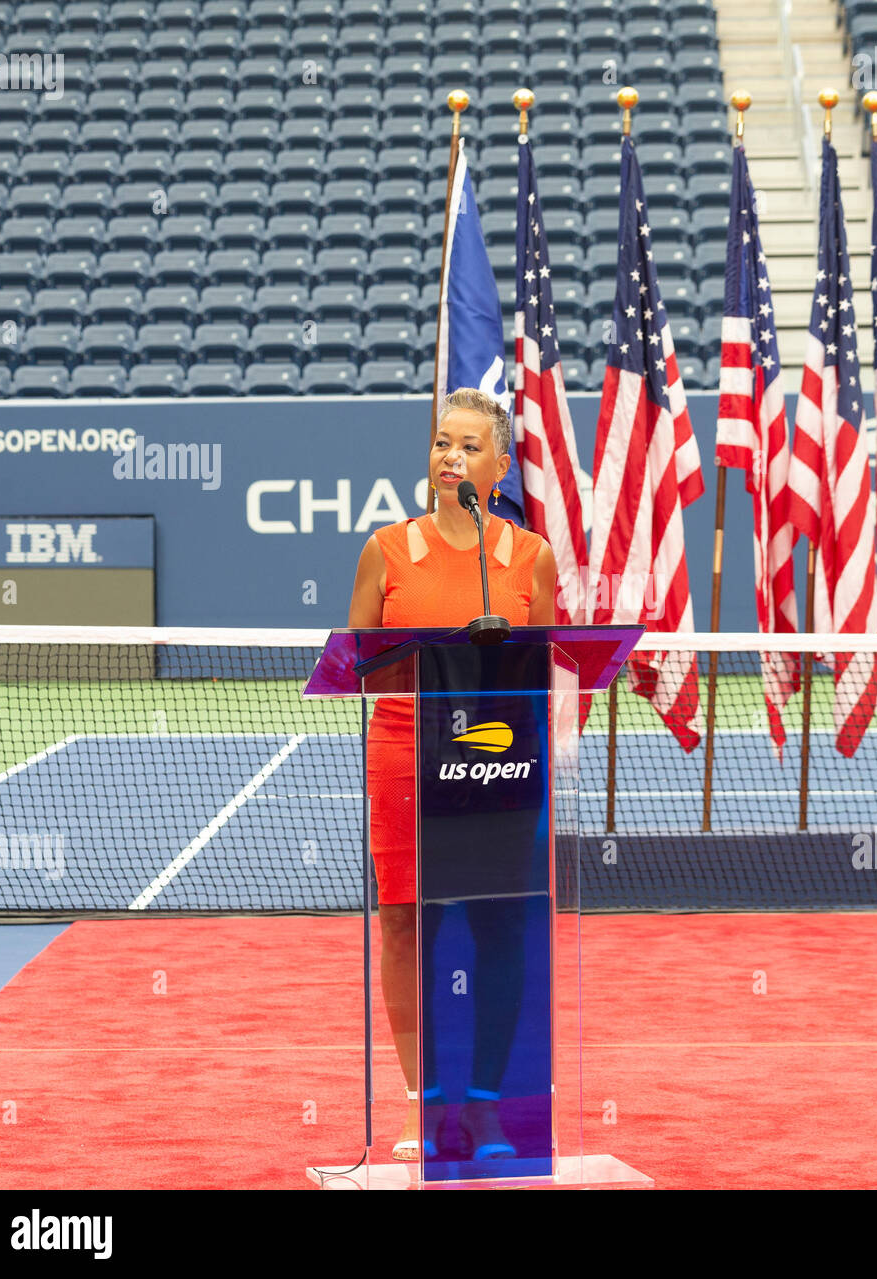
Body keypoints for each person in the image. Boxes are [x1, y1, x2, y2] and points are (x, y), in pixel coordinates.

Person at [347, 387, 557, 1162]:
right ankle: (420, 1105)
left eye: (469, 445)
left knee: (501, 924)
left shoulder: (532, 557)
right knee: (407, 922)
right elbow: (356, 662)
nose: (450, 456)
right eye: (442, 442)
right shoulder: (386, 549)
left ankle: (493, 1109)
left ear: (498, 468)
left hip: (499, 763)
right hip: (405, 756)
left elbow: (548, 665)